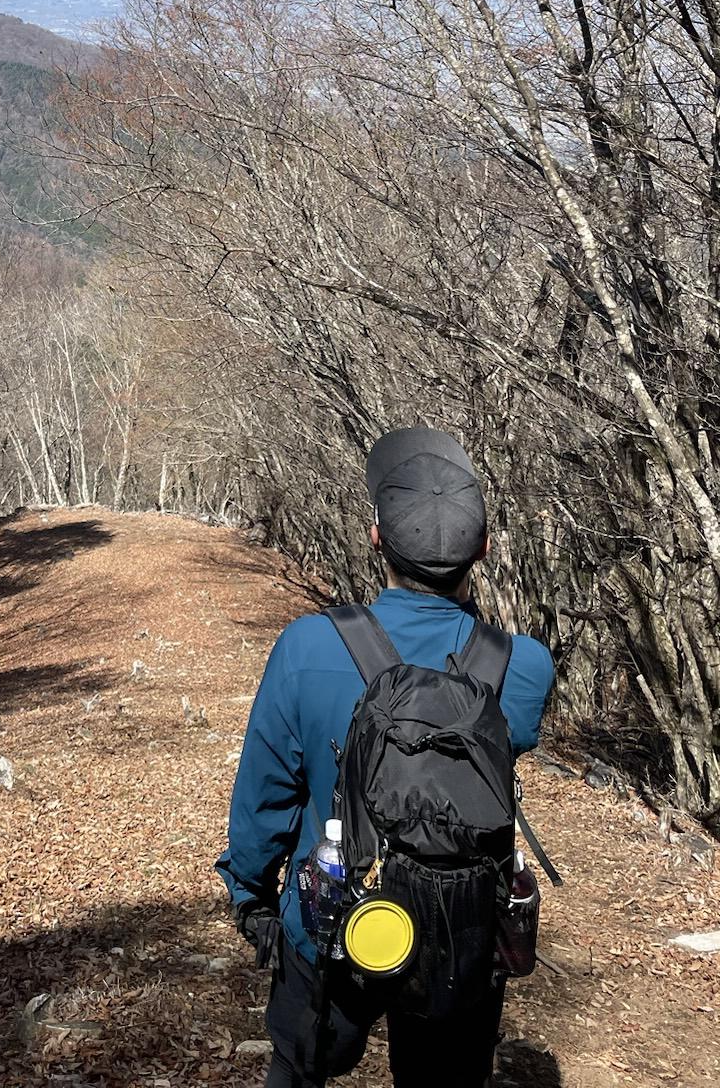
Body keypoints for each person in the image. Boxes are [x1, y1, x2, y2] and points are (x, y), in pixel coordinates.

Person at [217, 426, 554, 1087]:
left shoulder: (308, 647)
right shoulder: (525, 665)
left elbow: (267, 796)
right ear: (483, 548)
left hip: (333, 918)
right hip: (459, 932)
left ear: (377, 537)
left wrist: (251, 895)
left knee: (299, 1068)